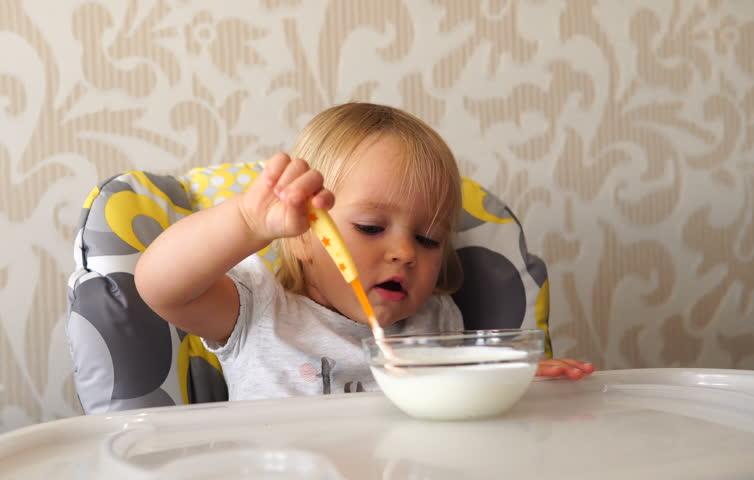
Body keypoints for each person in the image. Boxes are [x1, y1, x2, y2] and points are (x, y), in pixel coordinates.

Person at [135, 102, 594, 401]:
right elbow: (162, 288)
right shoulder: (259, 311)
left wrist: (512, 380)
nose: (405, 253)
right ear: (303, 235)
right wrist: (248, 223)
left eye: (429, 239)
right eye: (372, 227)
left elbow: (466, 414)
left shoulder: (437, 325)